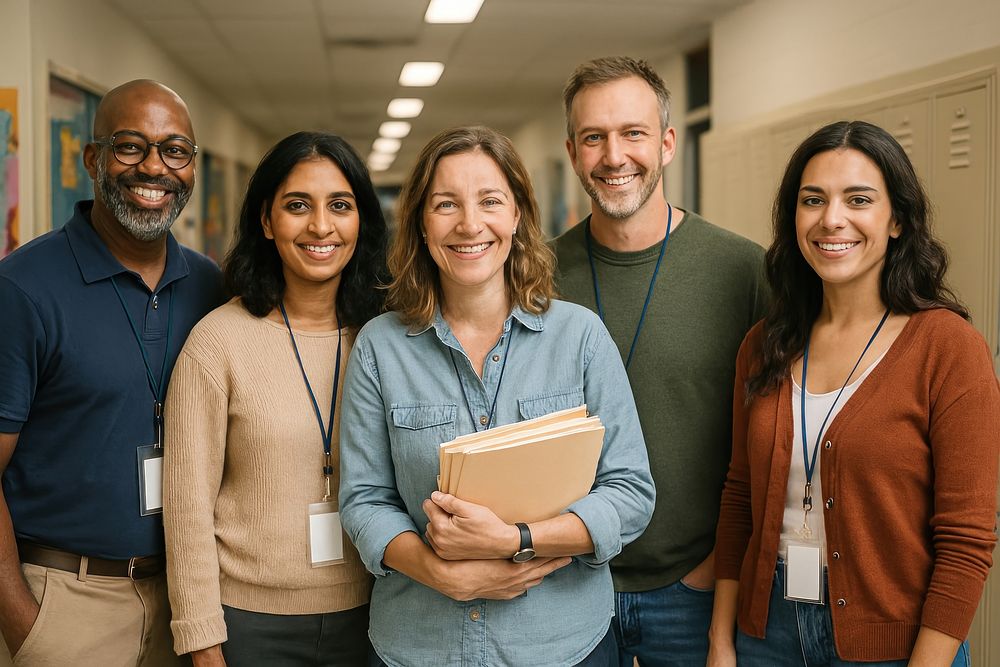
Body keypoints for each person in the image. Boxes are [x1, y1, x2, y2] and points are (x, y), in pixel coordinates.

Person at [338, 125, 655, 667]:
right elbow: (365, 501)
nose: (469, 224)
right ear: (420, 223)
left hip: (561, 645)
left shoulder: (579, 337)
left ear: (517, 216)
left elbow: (630, 493)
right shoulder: (379, 346)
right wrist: (441, 573)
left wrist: (516, 540)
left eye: (490, 200)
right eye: (446, 204)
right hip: (421, 646)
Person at [708, 120, 1000, 666]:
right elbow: (739, 498)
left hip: (895, 646)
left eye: (859, 199)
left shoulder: (948, 349)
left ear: (898, 220)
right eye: (812, 200)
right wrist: (722, 641)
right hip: (766, 635)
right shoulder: (764, 345)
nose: (831, 219)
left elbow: (967, 540)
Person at [551, 56, 768, 665]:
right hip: (567, 582)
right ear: (572, 153)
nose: (614, 156)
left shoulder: (743, 271)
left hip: (694, 590)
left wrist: (718, 566)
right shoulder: (535, 277)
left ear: (668, 144)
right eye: (594, 137)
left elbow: (774, 438)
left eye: (633, 133)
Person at [0, 80, 224, 665]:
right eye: (130, 146)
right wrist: (25, 624)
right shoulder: (22, 289)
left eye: (174, 150)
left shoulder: (212, 288)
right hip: (66, 600)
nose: (154, 167)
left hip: (185, 603)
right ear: (92, 159)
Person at [163, 131, 388, 666]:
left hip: (377, 614)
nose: (321, 226)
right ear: (266, 221)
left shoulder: (388, 339)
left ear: (362, 221)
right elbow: (187, 508)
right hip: (248, 624)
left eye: (340, 205)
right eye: (297, 206)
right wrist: (201, 639)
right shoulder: (217, 342)